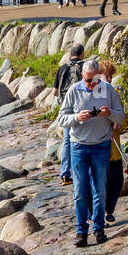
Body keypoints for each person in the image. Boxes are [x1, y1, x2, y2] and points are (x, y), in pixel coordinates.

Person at [58, 58, 126, 247]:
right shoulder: (73, 91)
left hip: (101, 145)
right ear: (82, 77)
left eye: (94, 80)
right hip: (79, 146)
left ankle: (98, 228)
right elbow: (61, 119)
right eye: (88, 80)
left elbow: (121, 116)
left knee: (100, 189)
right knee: (80, 191)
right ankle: (81, 231)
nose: (91, 84)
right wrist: (77, 117)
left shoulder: (108, 90)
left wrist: (108, 113)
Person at [55, 45, 86, 186]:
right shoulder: (85, 66)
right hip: (82, 109)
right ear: (82, 54)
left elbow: (55, 92)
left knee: (67, 141)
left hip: (66, 109)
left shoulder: (62, 68)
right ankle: (82, 172)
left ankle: (65, 174)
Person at [100, 60, 126, 222]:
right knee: (101, 184)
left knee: (117, 181)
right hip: (99, 150)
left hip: (115, 150)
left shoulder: (114, 94)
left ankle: (109, 209)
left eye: (111, 76)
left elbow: (123, 117)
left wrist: (118, 122)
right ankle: (100, 213)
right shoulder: (92, 96)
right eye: (106, 76)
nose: (109, 79)